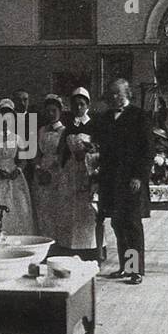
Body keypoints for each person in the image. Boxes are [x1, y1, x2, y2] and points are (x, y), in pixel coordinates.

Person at [97, 78, 152, 284]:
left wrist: (139, 176)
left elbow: (148, 150)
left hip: (131, 181)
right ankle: (124, 267)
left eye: (117, 94)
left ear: (127, 94)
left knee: (132, 224)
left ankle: (135, 270)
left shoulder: (139, 116)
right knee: (117, 223)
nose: (113, 97)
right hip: (111, 181)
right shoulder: (106, 118)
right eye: (111, 94)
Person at [61, 86, 99, 260]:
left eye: (82, 104)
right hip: (71, 171)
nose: (78, 108)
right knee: (71, 210)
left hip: (87, 169)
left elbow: (99, 149)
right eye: (75, 105)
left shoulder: (93, 125)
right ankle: (72, 247)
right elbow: (63, 150)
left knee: (87, 210)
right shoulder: (68, 127)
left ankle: (90, 249)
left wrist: (88, 152)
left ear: (88, 105)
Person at [0, 97, 34, 235]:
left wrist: (18, 169)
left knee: (20, 207)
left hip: (15, 175)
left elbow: (24, 159)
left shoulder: (17, 137)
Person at [32, 95, 70, 246]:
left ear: (60, 111)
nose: (51, 114)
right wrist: (39, 169)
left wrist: (52, 169)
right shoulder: (41, 130)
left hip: (58, 170)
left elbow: (63, 154)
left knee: (57, 208)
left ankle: (59, 243)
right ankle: (45, 242)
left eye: (54, 111)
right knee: (43, 208)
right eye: (48, 111)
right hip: (42, 168)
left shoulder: (64, 131)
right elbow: (36, 153)